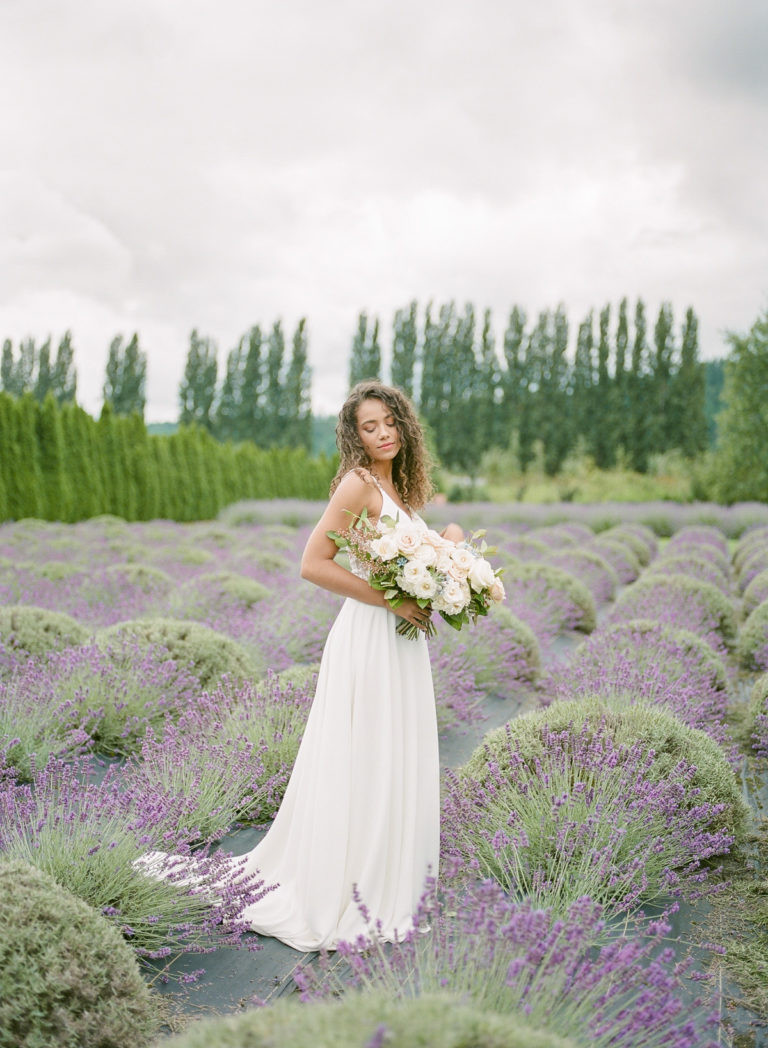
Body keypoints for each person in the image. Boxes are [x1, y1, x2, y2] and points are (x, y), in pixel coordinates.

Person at [234, 380, 463, 951]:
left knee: (395, 755)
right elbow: (313, 563)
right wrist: (393, 599)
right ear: (354, 436)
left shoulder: (402, 491)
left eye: (390, 422)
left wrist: (452, 557)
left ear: (404, 425)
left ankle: (388, 883)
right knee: (364, 753)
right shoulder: (359, 485)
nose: (383, 432)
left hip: (404, 644)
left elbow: (416, 557)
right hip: (369, 637)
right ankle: (349, 887)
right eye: (370, 426)